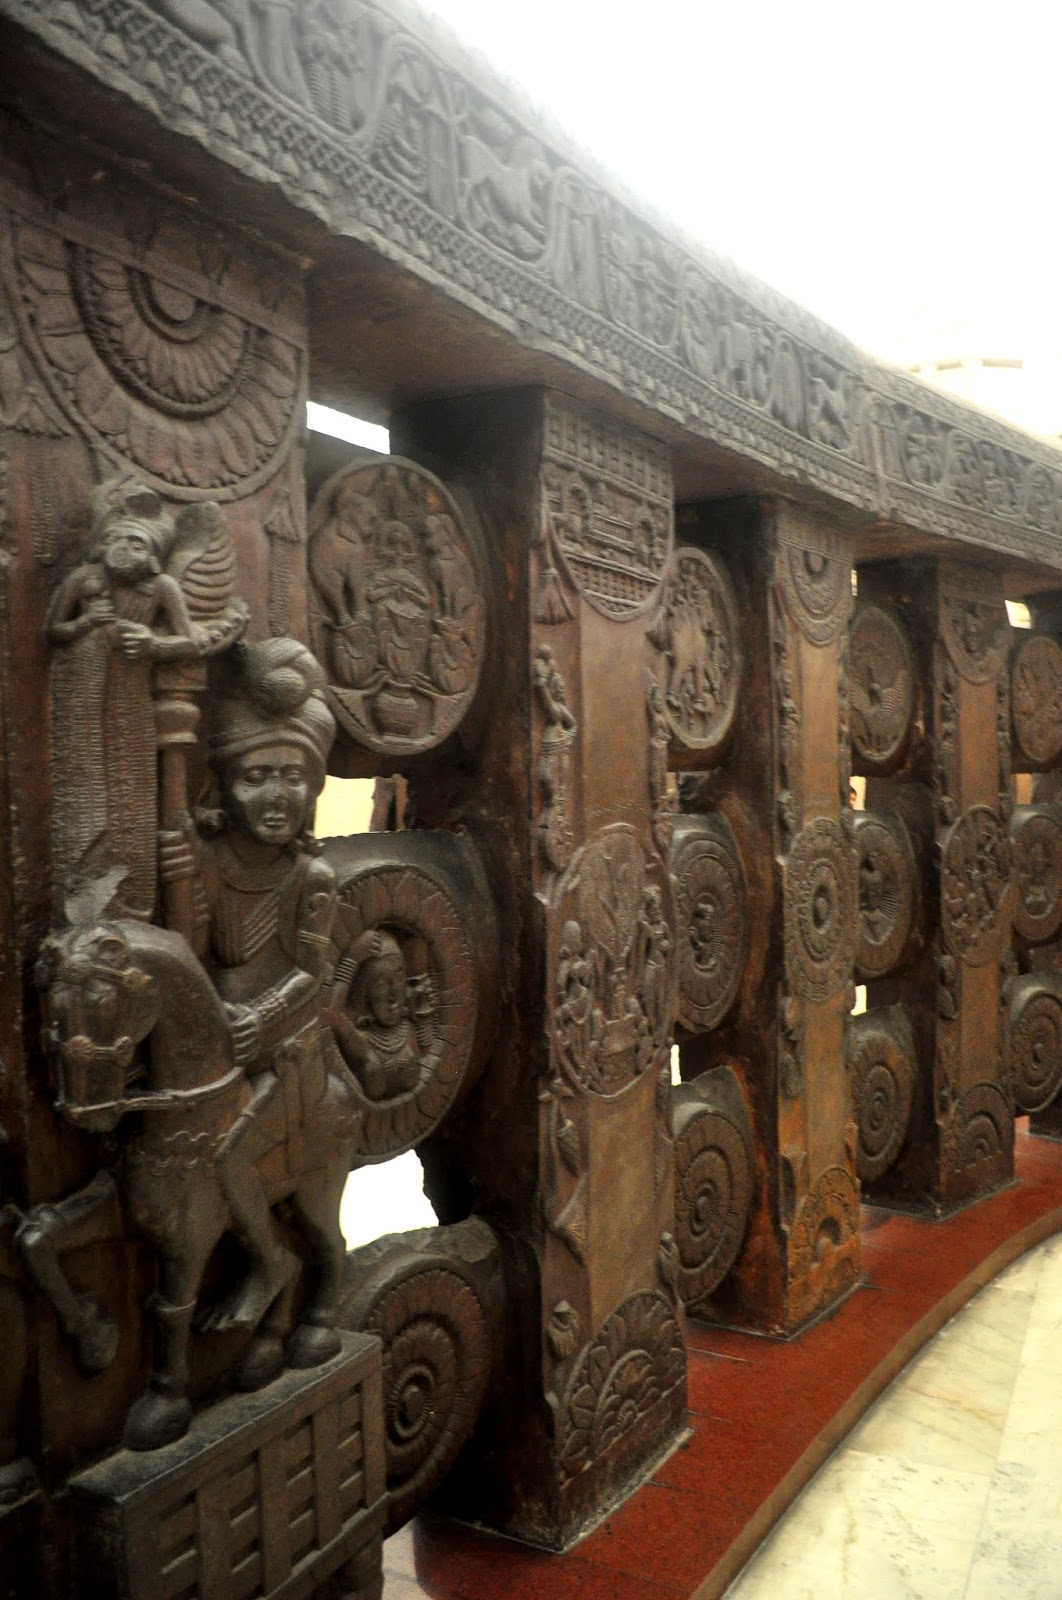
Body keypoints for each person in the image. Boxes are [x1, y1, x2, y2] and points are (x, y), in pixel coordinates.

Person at [160, 637, 337, 1334]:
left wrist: (259, 1017)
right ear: (225, 787)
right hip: (218, 1045)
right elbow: (193, 951)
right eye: (257, 775)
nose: (276, 794)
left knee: (227, 1153)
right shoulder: (206, 861)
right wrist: (182, 874)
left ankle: (271, 1264)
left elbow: (313, 972)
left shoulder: (310, 879)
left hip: (287, 1052)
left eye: (294, 777)